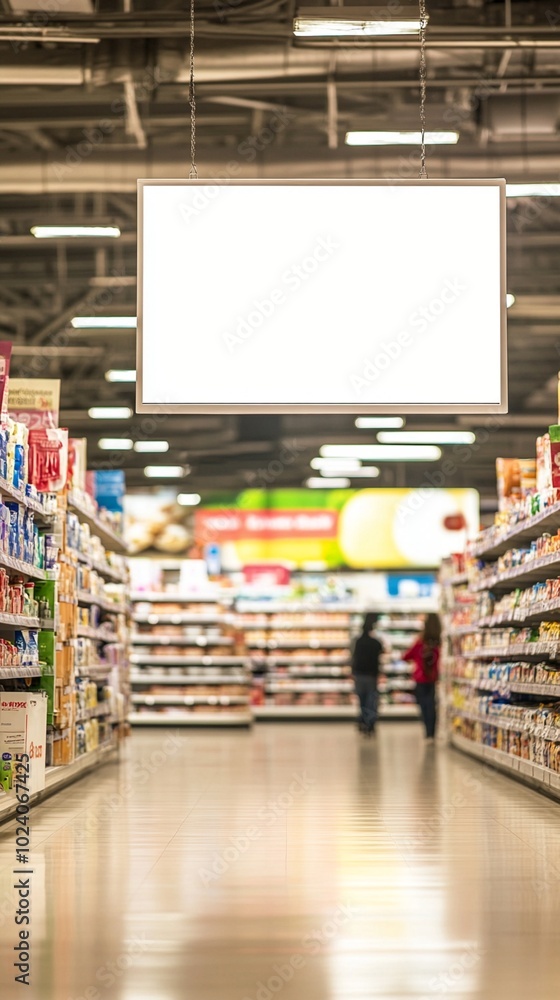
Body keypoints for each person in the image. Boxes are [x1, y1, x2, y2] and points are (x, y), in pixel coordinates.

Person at [402, 613, 442, 742]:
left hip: (420, 678)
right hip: (433, 678)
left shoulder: (420, 642)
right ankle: (432, 732)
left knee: (423, 705)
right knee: (431, 704)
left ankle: (427, 732)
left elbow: (406, 656)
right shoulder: (439, 642)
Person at [351, 612, 383, 736]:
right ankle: (370, 723)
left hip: (359, 675)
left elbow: (354, 658)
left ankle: (363, 722)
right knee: (371, 700)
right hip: (371, 675)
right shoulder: (375, 642)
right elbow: (381, 653)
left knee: (362, 700)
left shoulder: (358, 641)